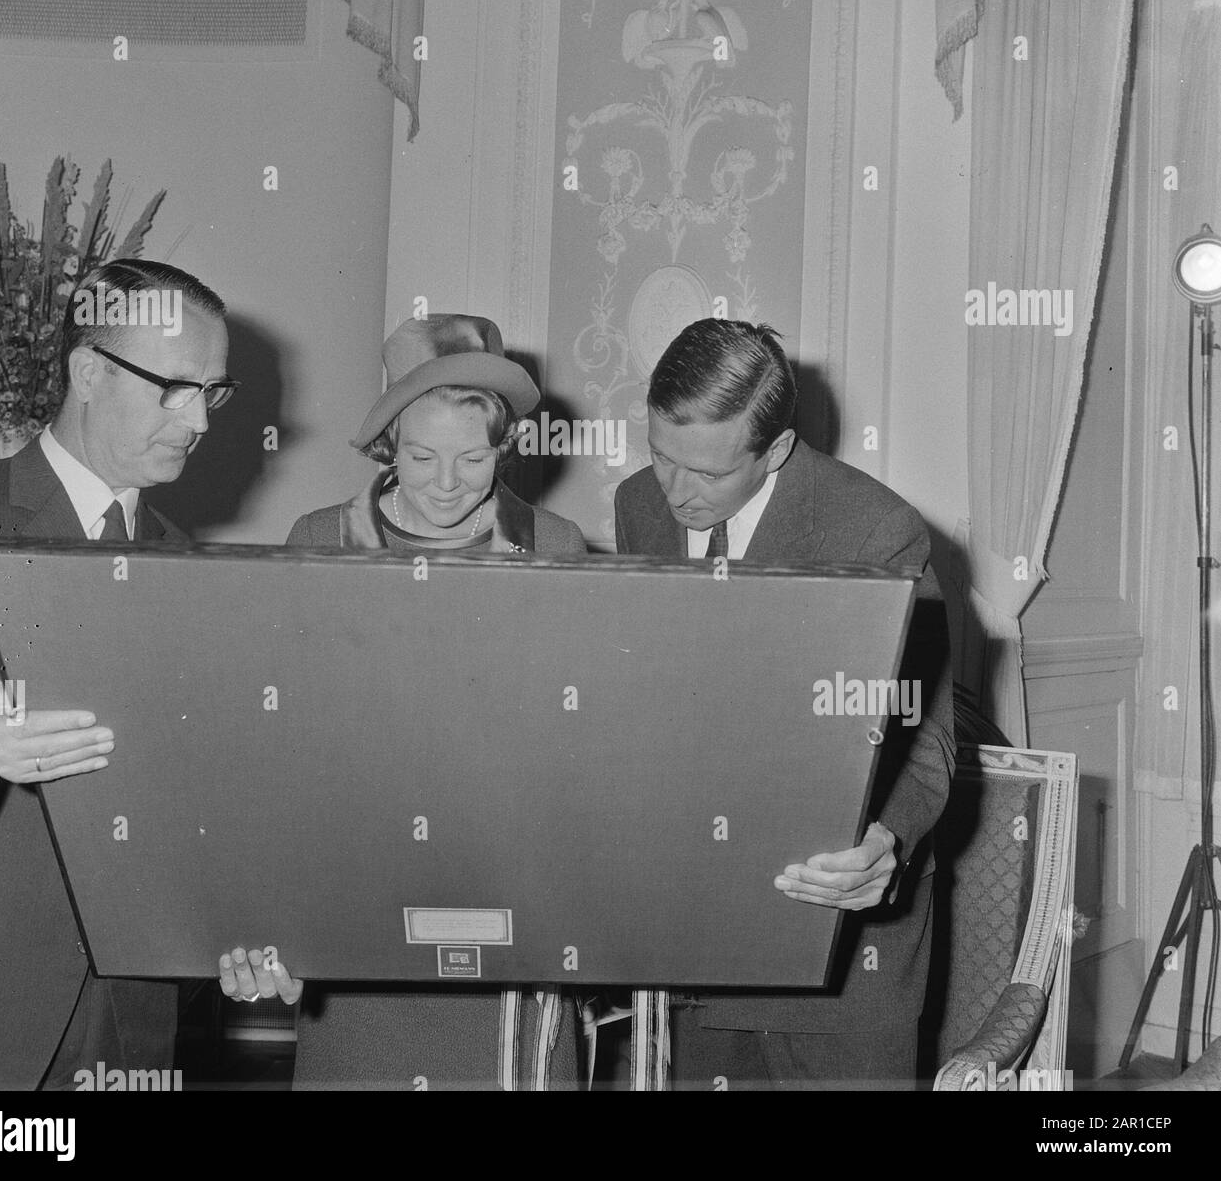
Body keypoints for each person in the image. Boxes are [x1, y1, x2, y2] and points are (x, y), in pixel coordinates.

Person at [221, 313, 587, 1090]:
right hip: (358, 899)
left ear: (505, 449)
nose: (447, 482)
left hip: (509, 898)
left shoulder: (553, 544)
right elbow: (278, 744)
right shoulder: (321, 537)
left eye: (473, 457)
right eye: (422, 456)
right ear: (388, 445)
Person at [614, 318, 955, 1090]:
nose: (674, 493)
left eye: (704, 474)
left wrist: (886, 842)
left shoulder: (873, 529)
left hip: (839, 935)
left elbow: (923, 734)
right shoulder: (639, 504)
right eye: (660, 457)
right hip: (698, 931)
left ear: (774, 451)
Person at [0, 258, 237, 1090]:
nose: (199, 418)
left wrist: (243, 927)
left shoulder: (188, 569)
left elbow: (200, 799)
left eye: (212, 390)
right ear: (89, 372)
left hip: (131, 1013)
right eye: (175, 386)